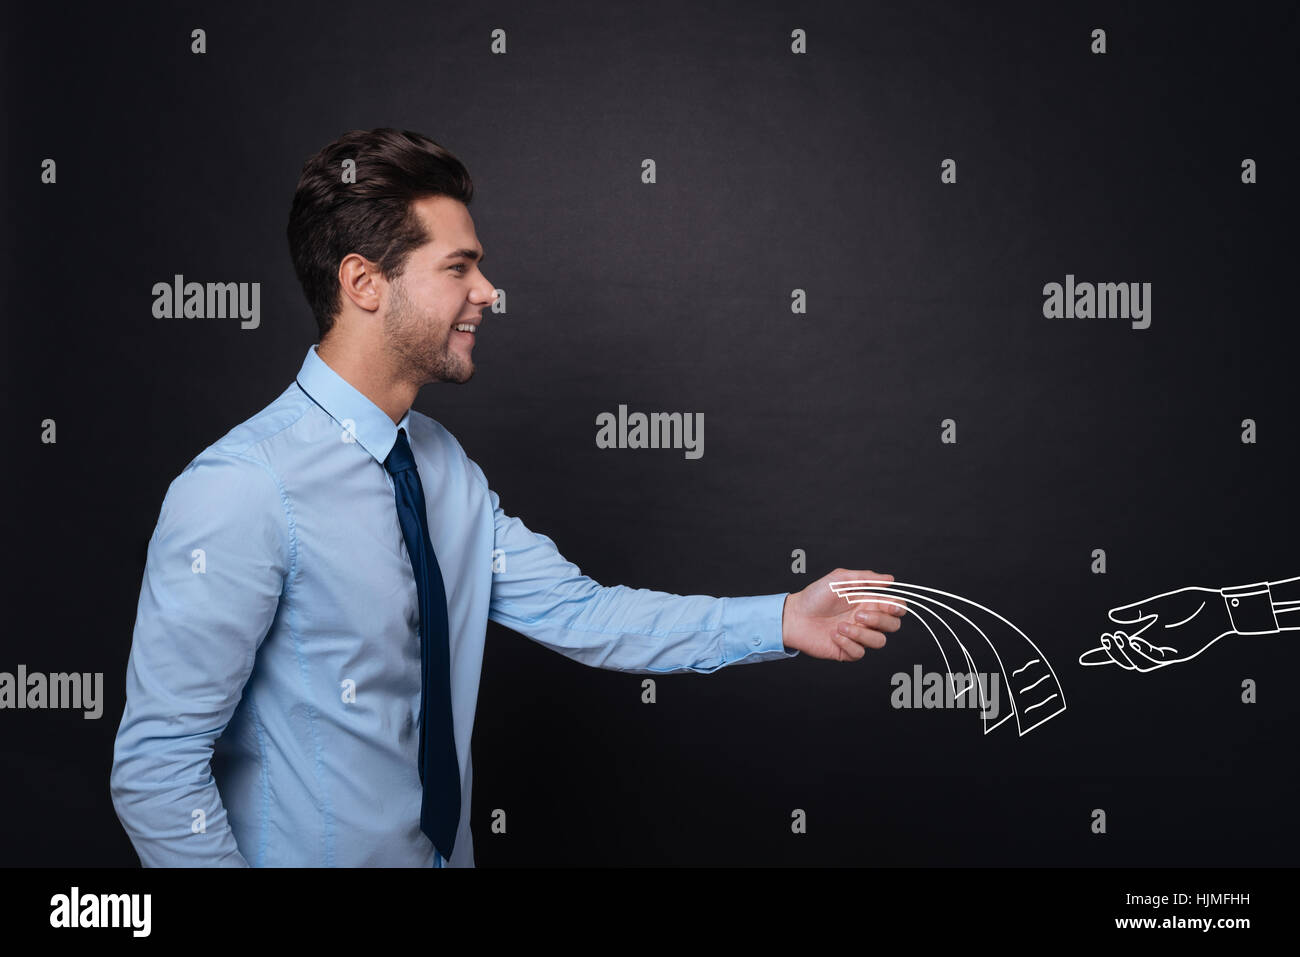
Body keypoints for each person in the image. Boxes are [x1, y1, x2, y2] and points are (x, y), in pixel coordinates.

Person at [109, 128, 906, 867]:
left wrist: (782, 619)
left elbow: (583, 613)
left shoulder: (442, 465)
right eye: (459, 267)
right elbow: (157, 769)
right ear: (363, 282)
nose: (488, 289)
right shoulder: (241, 488)